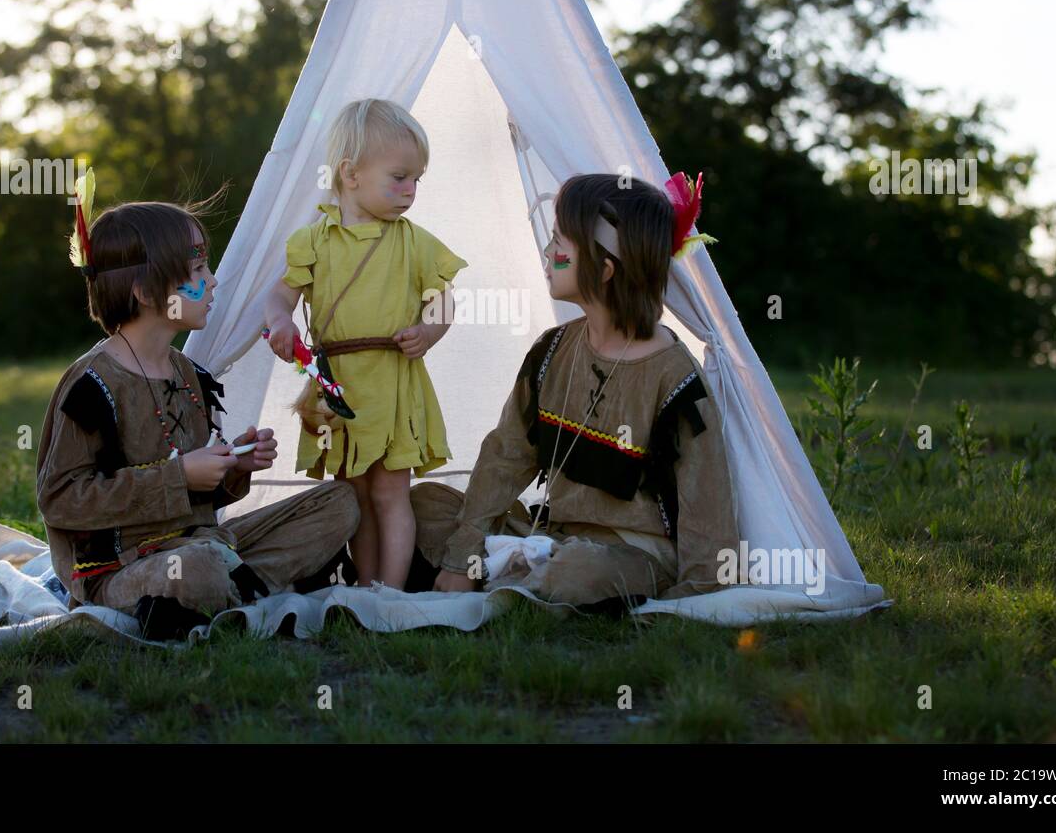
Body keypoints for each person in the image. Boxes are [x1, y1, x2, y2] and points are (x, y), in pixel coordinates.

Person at [36, 172, 360, 640]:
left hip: (209, 541)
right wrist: (178, 475)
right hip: (123, 567)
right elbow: (59, 500)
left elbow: (206, 496)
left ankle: (229, 593)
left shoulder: (188, 373)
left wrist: (233, 466)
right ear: (146, 293)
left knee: (340, 503)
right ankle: (235, 592)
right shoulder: (92, 386)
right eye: (196, 272)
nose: (212, 282)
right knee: (198, 570)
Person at [418, 171, 739, 610]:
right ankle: (497, 574)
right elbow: (506, 457)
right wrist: (461, 555)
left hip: (631, 554)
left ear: (604, 269)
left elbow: (708, 507)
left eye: (560, 245)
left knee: (578, 571)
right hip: (551, 535)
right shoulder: (552, 350)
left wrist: (694, 597)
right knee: (424, 505)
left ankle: (509, 580)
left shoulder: (674, 379)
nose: (548, 253)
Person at [263, 99, 467, 591]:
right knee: (354, 493)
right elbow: (280, 294)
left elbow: (443, 299)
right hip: (340, 387)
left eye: (417, 179)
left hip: (393, 382)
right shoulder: (313, 241)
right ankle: (365, 585)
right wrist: (279, 323)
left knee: (391, 492)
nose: (410, 190)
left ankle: (391, 593)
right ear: (351, 174)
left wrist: (429, 330)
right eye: (399, 177)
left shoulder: (414, 242)